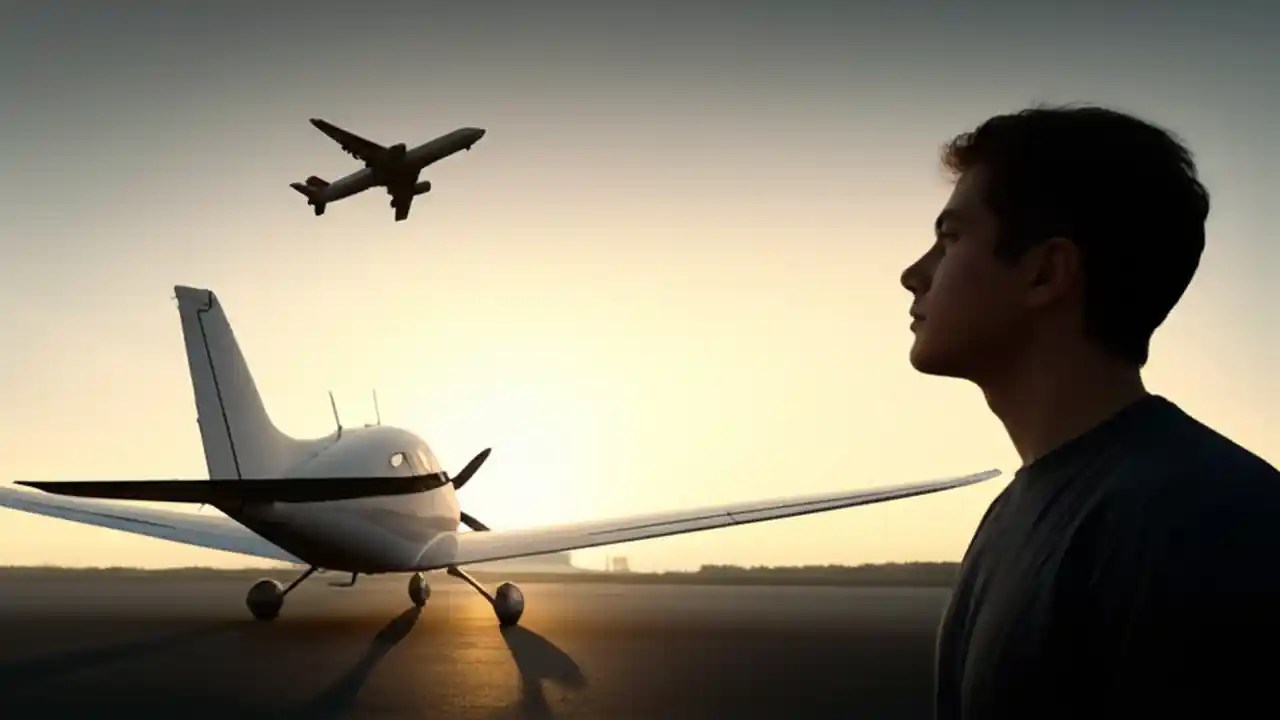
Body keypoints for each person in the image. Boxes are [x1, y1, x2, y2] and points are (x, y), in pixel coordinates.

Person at [900, 105, 1280, 719]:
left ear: (1046, 273)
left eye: (950, 240)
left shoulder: (1207, 523)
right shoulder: (1023, 512)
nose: (913, 275)